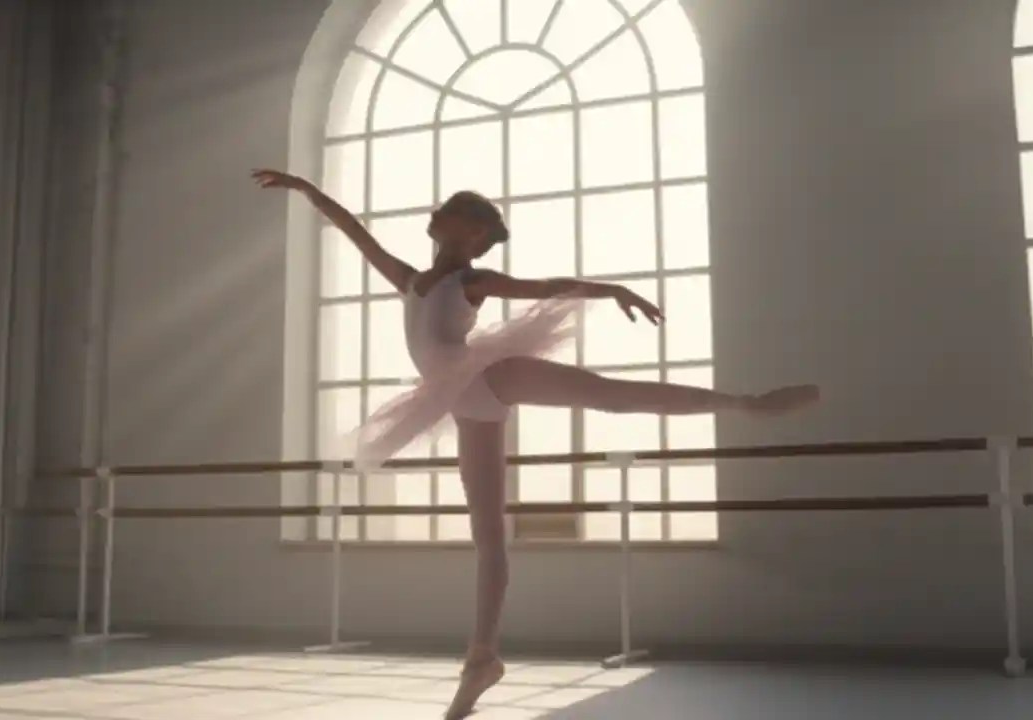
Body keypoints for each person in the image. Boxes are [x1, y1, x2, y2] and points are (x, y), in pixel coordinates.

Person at [253, 169, 819, 719]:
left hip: (489, 375)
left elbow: (545, 289)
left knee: (609, 395)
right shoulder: (408, 278)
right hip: (463, 404)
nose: (434, 211)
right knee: (488, 536)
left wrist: (610, 289)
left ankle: (744, 403)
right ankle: (482, 657)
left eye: (448, 209)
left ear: (473, 232)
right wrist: (305, 188)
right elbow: (353, 230)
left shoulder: (471, 281)